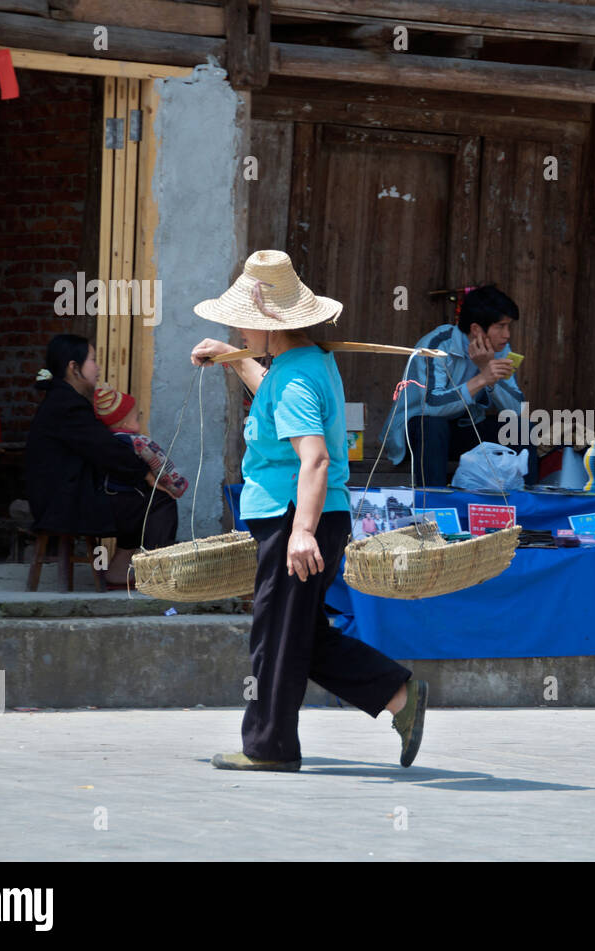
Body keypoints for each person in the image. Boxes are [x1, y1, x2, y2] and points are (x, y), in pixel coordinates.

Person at [190, 249, 426, 772]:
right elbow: (271, 396)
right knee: (301, 633)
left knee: (275, 636)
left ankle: (269, 747)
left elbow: (314, 459)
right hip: (310, 516)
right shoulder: (303, 363)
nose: (242, 332)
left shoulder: (296, 377)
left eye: (247, 326)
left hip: (297, 515)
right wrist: (235, 356)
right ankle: (397, 696)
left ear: (273, 327)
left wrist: (301, 534)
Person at [26, 334, 176, 588]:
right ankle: (157, 577)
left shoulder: (62, 400)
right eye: (92, 361)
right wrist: (147, 474)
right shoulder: (67, 406)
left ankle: (120, 570)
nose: (97, 368)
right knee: (159, 499)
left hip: (64, 497)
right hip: (63, 505)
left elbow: (103, 451)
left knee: (138, 494)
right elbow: (107, 451)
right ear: (74, 368)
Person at [380, 285, 538, 487]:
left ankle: (527, 502)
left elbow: (517, 409)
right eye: (501, 326)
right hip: (419, 435)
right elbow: (432, 405)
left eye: (509, 326)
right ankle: (434, 502)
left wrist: (489, 375)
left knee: (522, 427)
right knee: (431, 425)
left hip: (464, 430)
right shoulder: (436, 345)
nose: (507, 334)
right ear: (476, 329)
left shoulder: (501, 348)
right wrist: (482, 378)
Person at [92, 381, 188, 583]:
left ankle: (117, 573)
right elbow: (162, 466)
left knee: (136, 520)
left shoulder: (101, 442)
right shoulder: (139, 442)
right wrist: (176, 486)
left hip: (104, 504)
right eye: (136, 416)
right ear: (126, 424)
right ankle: (157, 563)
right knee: (163, 503)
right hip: (128, 503)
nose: (140, 417)